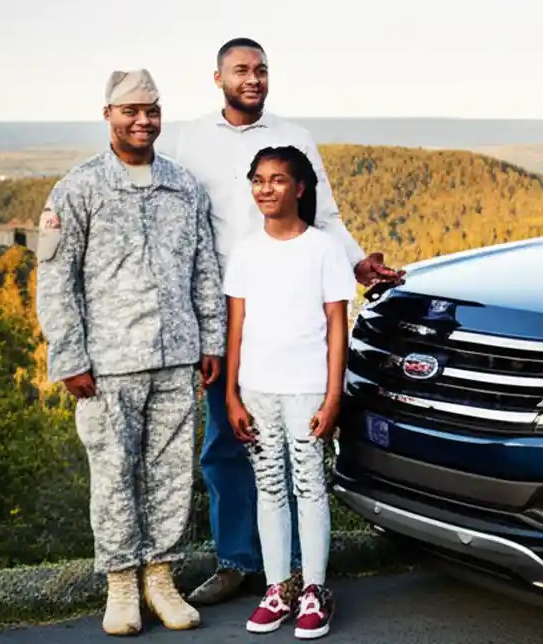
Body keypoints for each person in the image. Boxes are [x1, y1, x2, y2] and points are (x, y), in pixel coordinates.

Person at [164, 37, 402, 607]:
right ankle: (236, 561)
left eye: (262, 70)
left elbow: (328, 216)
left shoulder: (295, 139)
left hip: (294, 309)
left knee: (299, 443)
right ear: (217, 77)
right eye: (241, 69)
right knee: (227, 439)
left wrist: (357, 261)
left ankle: (297, 568)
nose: (253, 78)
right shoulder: (189, 140)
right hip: (226, 306)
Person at [36, 69, 225, 636]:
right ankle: (121, 584)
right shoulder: (79, 188)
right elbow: (54, 277)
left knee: (171, 475)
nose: (143, 120)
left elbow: (204, 269)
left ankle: (161, 579)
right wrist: (68, 355)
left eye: (152, 110)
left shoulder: (184, 186)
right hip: (108, 363)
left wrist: (210, 339)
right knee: (114, 475)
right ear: (108, 115)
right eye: (130, 111)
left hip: (176, 357)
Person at [223, 145, 351, 638]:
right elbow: (236, 328)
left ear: (300, 187)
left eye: (278, 180)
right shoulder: (246, 252)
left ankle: (315, 589)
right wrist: (232, 395)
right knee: (270, 487)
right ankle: (279, 588)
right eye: (259, 179)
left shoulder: (323, 249)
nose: (266, 189)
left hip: (307, 391)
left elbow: (336, 325)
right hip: (257, 391)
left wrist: (333, 396)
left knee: (309, 485)